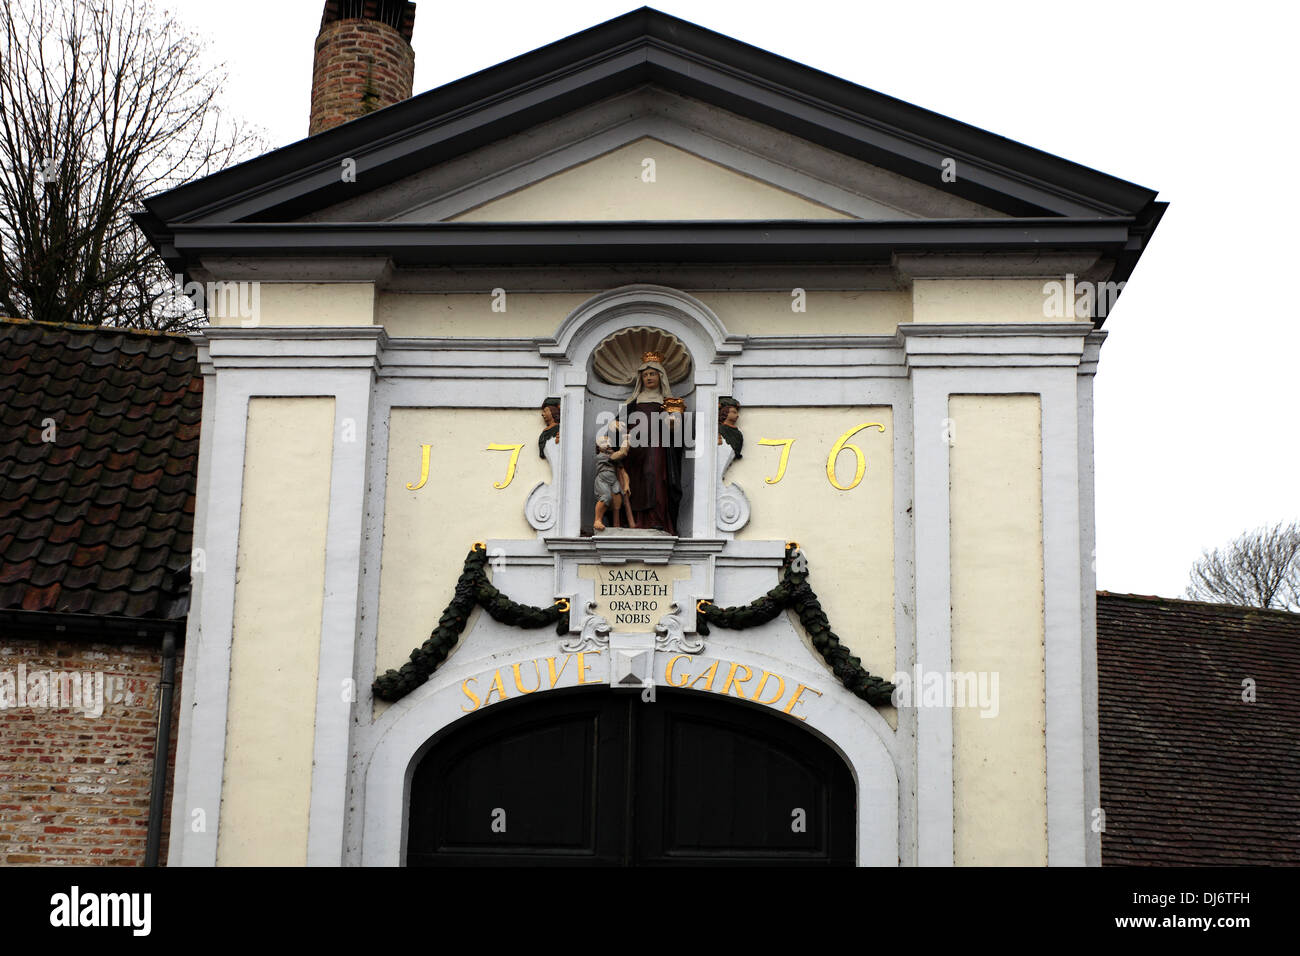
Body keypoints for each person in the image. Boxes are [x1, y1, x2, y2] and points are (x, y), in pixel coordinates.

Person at [620, 351, 684, 535]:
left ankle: (656, 519)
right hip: (634, 447)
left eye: (652, 374)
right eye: (645, 374)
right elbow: (620, 420)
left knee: (655, 477)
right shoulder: (634, 401)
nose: (648, 377)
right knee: (633, 480)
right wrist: (614, 424)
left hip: (657, 446)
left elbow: (677, 429)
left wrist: (673, 423)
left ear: (660, 376)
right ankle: (632, 520)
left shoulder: (668, 402)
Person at [592, 421, 632, 532]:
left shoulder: (612, 457)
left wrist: (627, 484)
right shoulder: (602, 456)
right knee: (605, 498)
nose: (608, 443)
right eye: (604, 442)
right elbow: (622, 453)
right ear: (598, 446)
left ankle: (616, 524)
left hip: (614, 480)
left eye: (609, 441)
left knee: (617, 502)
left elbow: (623, 471)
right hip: (603, 479)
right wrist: (626, 440)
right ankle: (597, 520)